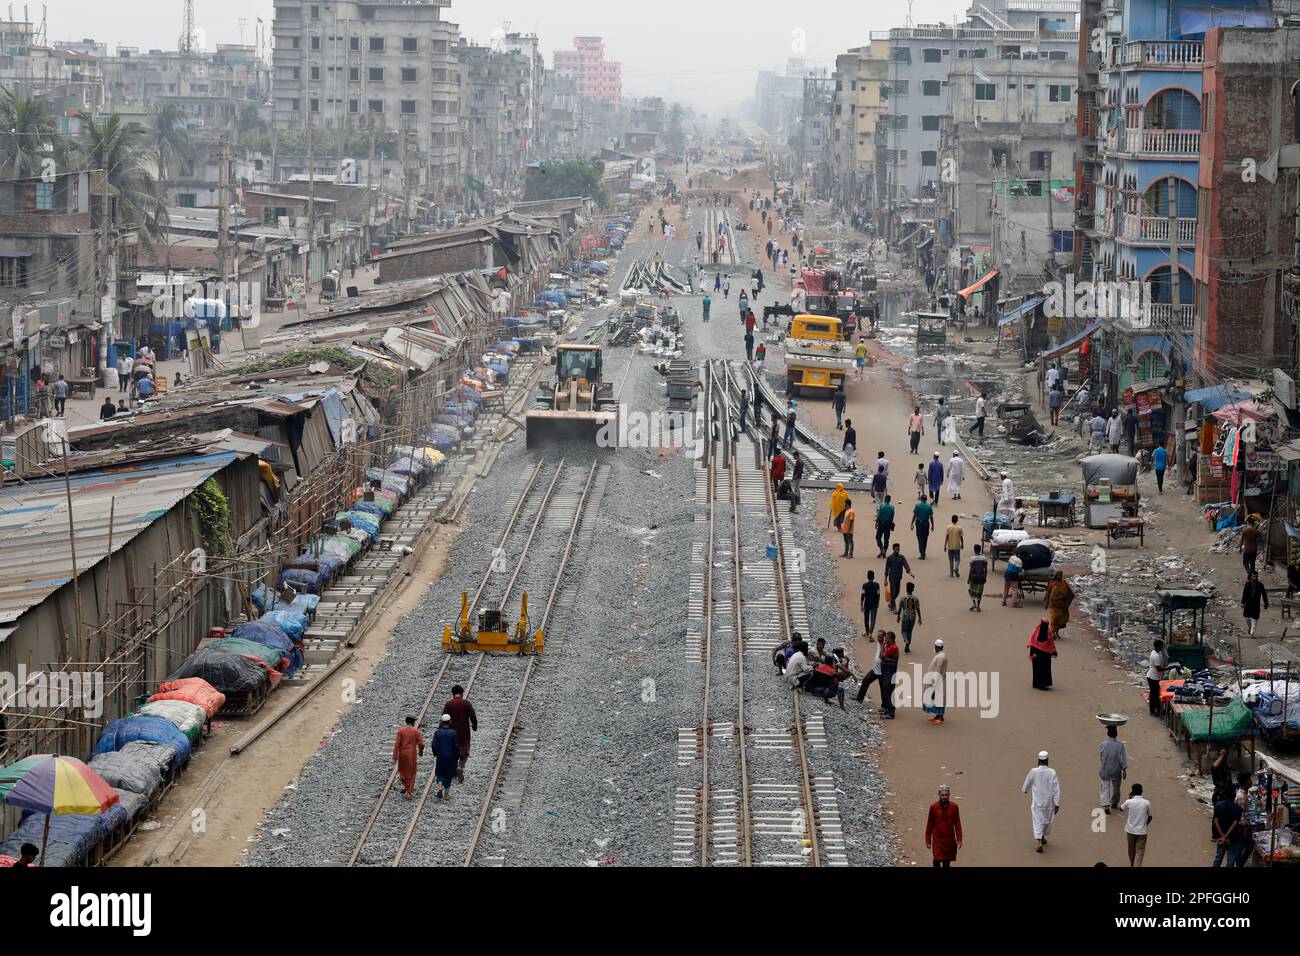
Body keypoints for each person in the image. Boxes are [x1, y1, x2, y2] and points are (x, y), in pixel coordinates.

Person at [1022, 751, 1062, 853]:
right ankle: (1042, 838)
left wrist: (1025, 790)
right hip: (1049, 803)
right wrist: (1057, 803)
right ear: (1047, 761)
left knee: (1037, 822)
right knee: (1046, 821)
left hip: (1037, 803)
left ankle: (1040, 842)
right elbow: (1056, 789)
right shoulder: (1052, 772)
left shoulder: (1033, 771)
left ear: (1038, 761)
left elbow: (1026, 783)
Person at [443, 685, 478, 783]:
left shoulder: (448, 704)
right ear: (462, 693)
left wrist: (442, 730)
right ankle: (460, 766)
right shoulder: (466, 703)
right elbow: (473, 716)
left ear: (452, 694)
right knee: (465, 751)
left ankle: (454, 771)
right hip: (464, 732)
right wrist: (474, 726)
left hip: (451, 732)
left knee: (453, 750)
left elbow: (443, 717)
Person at [925, 785, 963, 866]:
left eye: (946, 795)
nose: (944, 797)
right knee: (936, 861)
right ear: (939, 795)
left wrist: (959, 839)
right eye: (942, 795)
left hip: (949, 840)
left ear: (949, 794)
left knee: (946, 863)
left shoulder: (954, 807)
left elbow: (957, 824)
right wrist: (928, 839)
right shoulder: (933, 807)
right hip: (938, 840)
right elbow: (930, 824)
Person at [392, 715, 426, 799]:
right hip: (411, 754)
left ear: (406, 721)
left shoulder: (401, 731)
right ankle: (409, 792)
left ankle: (405, 784)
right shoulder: (416, 731)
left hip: (402, 754)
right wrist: (420, 752)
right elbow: (421, 744)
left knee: (402, 770)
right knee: (411, 772)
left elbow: (397, 744)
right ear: (413, 722)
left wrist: (395, 755)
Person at [1211, 795, 1250, 867]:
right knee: (1230, 862)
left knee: (1218, 859)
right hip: (1234, 837)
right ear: (1234, 796)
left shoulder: (1218, 805)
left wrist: (1223, 836)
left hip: (1221, 837)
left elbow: (1215, 821)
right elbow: (1234, 824)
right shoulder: (1238, 809)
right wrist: (1225, 837)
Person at [1120, 784, 1152, 867]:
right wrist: (1145, 825)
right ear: (1141, 791)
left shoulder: (1129, 802)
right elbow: (1150, 817)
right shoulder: (1147, 803)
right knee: (1140, 851)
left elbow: (1121, 808)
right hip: (1142, 831)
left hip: (1130, 830)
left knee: (1131, 850)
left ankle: (1132, 865)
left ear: (1132, 792)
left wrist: (1130, 798)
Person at [1098, 724, 1128, 814]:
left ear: (1108, 734)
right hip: (1116, 769)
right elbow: (1122, 758)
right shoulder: (1120, 745)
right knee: (1116, 788)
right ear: (1116, 734)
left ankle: (1106, 805)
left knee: (1105, 788)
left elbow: (1101, 757)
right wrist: (1124, 770)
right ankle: (1114, 803)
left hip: (1105, 769)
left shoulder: (1102, 744)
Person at [431, 713, 460, 801]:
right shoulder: (453, 733)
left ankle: (440, 787)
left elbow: (434, 745)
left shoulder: (437, 733)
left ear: (441, 722)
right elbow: (456, 746)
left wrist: (435, 753)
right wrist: (457, 756)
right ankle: (446, 795)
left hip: (440, 756)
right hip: (451, 757)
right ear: (450, 722)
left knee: (440, 772)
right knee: (448, 774)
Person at [856, 629, 886, 706]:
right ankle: (859, 699)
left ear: (884, 637)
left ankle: (885, 706)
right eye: (878, 637)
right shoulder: (879, 643)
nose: (878, 638)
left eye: (880, 637)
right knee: (866, 680)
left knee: (883, 689)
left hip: (882, 672)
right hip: (875, 669)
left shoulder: (885, 646)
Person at [1044, 570, 1075, 640]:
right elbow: (1048, 593)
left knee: (1061, 620)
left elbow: (1071, 594)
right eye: (1058, 575)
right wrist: (1046, 603)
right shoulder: (1052, 583)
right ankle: (1052, 633)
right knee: (1054, 620)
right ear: (1056, 575)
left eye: (1061, 575)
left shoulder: (1064, 583)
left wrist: (1067, 604)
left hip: (1062, 606)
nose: (1060, 576)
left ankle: (1056, 633)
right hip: (1053, 606)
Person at [922, 639, 947, 724]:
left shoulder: (940, 657)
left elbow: (937, 671)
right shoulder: (942, 655)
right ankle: (938, 716)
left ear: (936, 647)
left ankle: (940, 717)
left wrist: (933, 684)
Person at [1028, 618, 1057, 690]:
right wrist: (1032, 653)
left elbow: (1051, 643)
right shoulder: (1039, 631)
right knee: (1040, 668)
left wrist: (1054, 651)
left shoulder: (1046, 632)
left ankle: (1040, 683)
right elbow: (1032, 642)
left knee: (1041, 669)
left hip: (1043, 654)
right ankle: (1040, 684)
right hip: (1038, 653)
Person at [885, 543, 913, 612]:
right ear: (893, 549)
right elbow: (886, 569)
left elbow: (906, 565)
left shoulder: (901, 557)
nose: (898, 550)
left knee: (897, 592)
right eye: (896, 549)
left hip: (898, 577)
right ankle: (894, 608)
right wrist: (885, 579)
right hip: (892, 577)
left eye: (898, 549)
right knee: (893, 592)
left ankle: (891, 603)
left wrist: (910, 573)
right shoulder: (889, 558)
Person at [878, 631, 900, 718]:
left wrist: (883, 646)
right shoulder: (890, 646)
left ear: (892, 639)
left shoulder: (893, 648)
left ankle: (891, 712)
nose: (885, 640)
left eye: (887, 638)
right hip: (888, 669)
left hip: (890, 671)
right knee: (886, 690)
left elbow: (882, 656)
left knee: (888, 690)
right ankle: (888, 709)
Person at [897, 581, 922, 652]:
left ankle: (905, 640)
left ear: (906, 589)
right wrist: (920, 618)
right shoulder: (916, 599)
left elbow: (900, 608)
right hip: (913, 617)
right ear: (913, 589)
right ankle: (907, 646)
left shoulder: (903, 598)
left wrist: (898, 616)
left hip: (905, 616)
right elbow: (918, 609)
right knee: (910, 631)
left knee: (903, 631)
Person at [1242, 571, 1268, 636]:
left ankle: (1252, 633)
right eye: (1253, 576)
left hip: (1256, 604)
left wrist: (1266, 603)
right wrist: (1242, 602)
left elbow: (1264, 595)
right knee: (1247, 618)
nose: (1255, 578)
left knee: (1254, 619)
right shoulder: (1247, 584)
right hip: (1248, 603)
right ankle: (1250, 627)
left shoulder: (1260, 585)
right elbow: (1244, 593)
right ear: (1250, 577)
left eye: (1256, 576)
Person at [1146, 639, 1168, 716]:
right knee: (1154, 695)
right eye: (1161, 646)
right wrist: (1168, 668)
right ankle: (1154, 711)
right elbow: (1159, 669)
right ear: (1158, 646)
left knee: (1155, 694)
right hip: (1153, 677)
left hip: (1154, 676)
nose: (1162, 647)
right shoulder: (1155, 655)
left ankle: (1157, 709)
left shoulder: (1157, 653)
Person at [966, 544, 989, 612]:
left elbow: (971, 569)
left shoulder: (972, 558)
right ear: (980, 549)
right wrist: (985, 577)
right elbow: (986, 568)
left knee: (971, 590)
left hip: (974, 576)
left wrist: (968, 579)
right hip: (982, 576)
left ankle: (974, 603)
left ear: (974, 550)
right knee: (979, 592)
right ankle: (978, 606)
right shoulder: (984, 558)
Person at [912, 493, 935, 560]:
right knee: (925, 538)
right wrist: (932, 525)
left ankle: (922, 553)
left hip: (919, 523)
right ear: (926, 499)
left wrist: (912, 524)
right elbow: (931, 517)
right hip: (926, 523)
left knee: (920, 538)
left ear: (921, 499)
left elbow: (914, 515)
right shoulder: (929, 507)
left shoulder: (917, 506)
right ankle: (923, 552)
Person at [861, 570, 881, 635]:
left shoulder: (864, 585)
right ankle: (870, 633)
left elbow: (862, 595)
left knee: (866, 619)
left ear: (867, 577)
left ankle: (867, 631)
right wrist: (877, 603)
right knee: (873, 619)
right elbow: (878, 595)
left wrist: (861, 605)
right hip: (874, 604)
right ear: (873, 577)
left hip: (866, 604)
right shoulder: (877, 585)